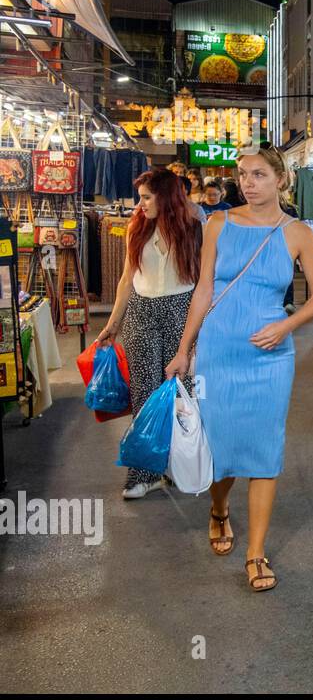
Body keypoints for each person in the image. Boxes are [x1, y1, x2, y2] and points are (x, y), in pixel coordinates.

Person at [165, 147, 313, 592]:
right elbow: (203, 290)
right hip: (218, 349)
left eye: (258, 174)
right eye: (243, 174)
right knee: (218, 443)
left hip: (270, 356)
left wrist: (285, 326)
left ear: (281, 180)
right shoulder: (218, 223)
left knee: (264, 447)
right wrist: (184, 349)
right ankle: (219, 509)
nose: (248, 182)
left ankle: (256, 552)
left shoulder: (297, 233)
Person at [95, 169, 204, 499]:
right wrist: (112, 325)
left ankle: (179, 465)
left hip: (181, 310)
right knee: (143, 393)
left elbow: (204, 282)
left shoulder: (193, 227)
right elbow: (127, 278)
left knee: (180, 394)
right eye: (140, 197)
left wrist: (200, 332)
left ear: (166, 197)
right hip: (141, 312)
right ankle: (143, 474)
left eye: (146, 197)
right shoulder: (136, 227)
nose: (140, 204)